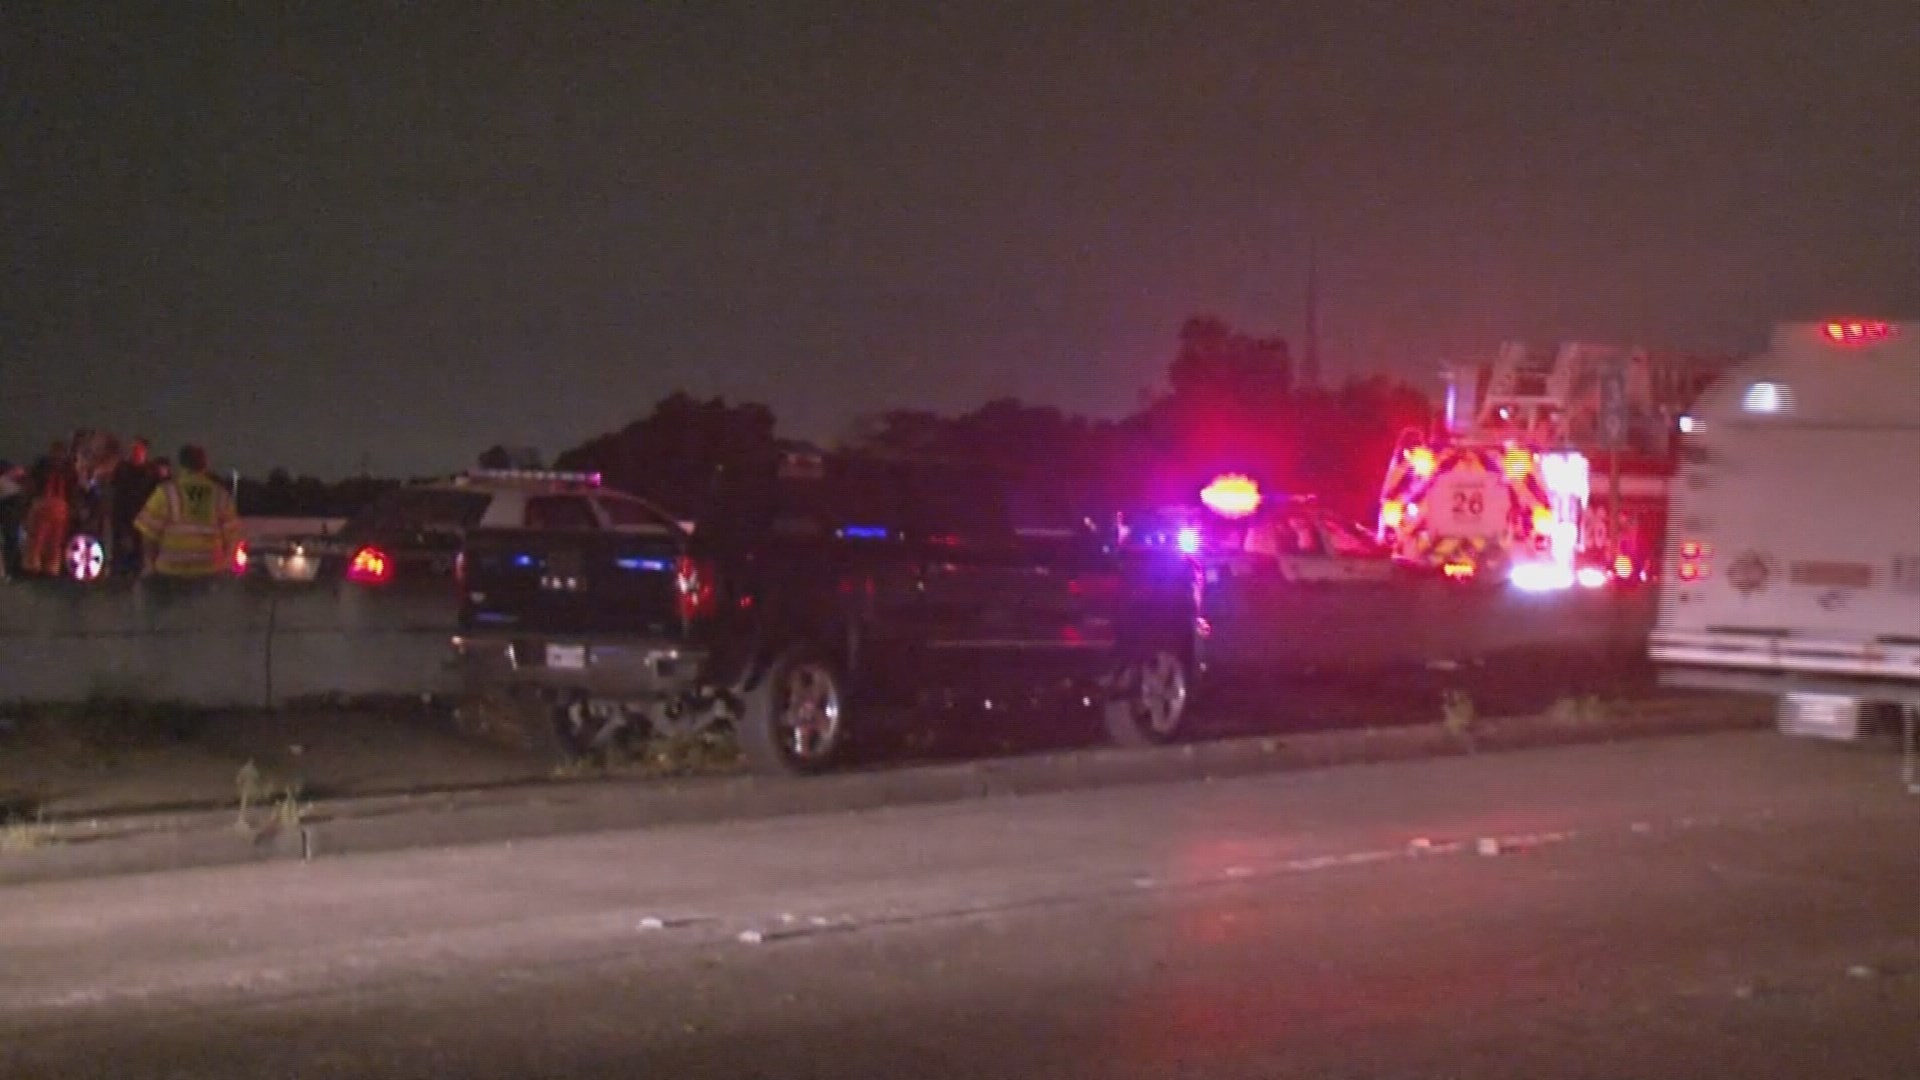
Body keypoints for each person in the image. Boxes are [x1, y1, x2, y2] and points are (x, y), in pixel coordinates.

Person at [133, 443, 241, 578]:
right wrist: (225, 566)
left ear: (181, 465)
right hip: (210, 571)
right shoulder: (220, 495)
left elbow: (149, 533)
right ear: (205, 465)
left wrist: (150, 565)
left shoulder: (166, 492)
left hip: (170, 572)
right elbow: (232, 536)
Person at [23, 440, 76, 577]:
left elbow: (31, 483)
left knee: (44, 538)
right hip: (55, 504)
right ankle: (47, 567)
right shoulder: (66, 468)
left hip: (49, 503)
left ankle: (38, 566)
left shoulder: (46, 466)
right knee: (49, 538)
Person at [111, 438, 159, 576]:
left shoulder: (151, 473)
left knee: (140, 557)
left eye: (138, 450)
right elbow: (117, 495)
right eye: (133, 449)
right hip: (124, 518)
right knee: (122, 555)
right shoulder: (122, 470)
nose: (135, 453)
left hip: (143, 520)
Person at [0, 460, 27, 580]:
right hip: (9, 503)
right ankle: (10, 570)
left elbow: (20, 471)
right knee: (11, 538)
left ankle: (12, 570)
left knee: (12, 537)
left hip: (10, 504)